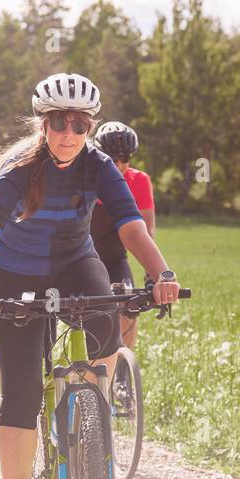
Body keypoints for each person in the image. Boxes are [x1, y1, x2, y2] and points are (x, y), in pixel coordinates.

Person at [0, 74, 181, 479]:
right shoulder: (19, 171)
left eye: (79, 124)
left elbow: (130, 226)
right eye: (59, 122)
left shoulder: (99, 165)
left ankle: (89, 430)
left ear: (89, 127)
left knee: (108, 326)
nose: (69, 132)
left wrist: (161, 272)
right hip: (14, 275)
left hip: (75, 263)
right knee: (19, 393)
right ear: (43, 125)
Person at [89, 121, 155, 354]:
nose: (118, 165)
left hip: (115, 256)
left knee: (130, 304)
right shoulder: (86, 178)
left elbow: (146, 231)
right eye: (111, 157)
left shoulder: (139, 181)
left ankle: (122, 369)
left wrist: (152, 275)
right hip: (82, 257)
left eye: (124, 158)